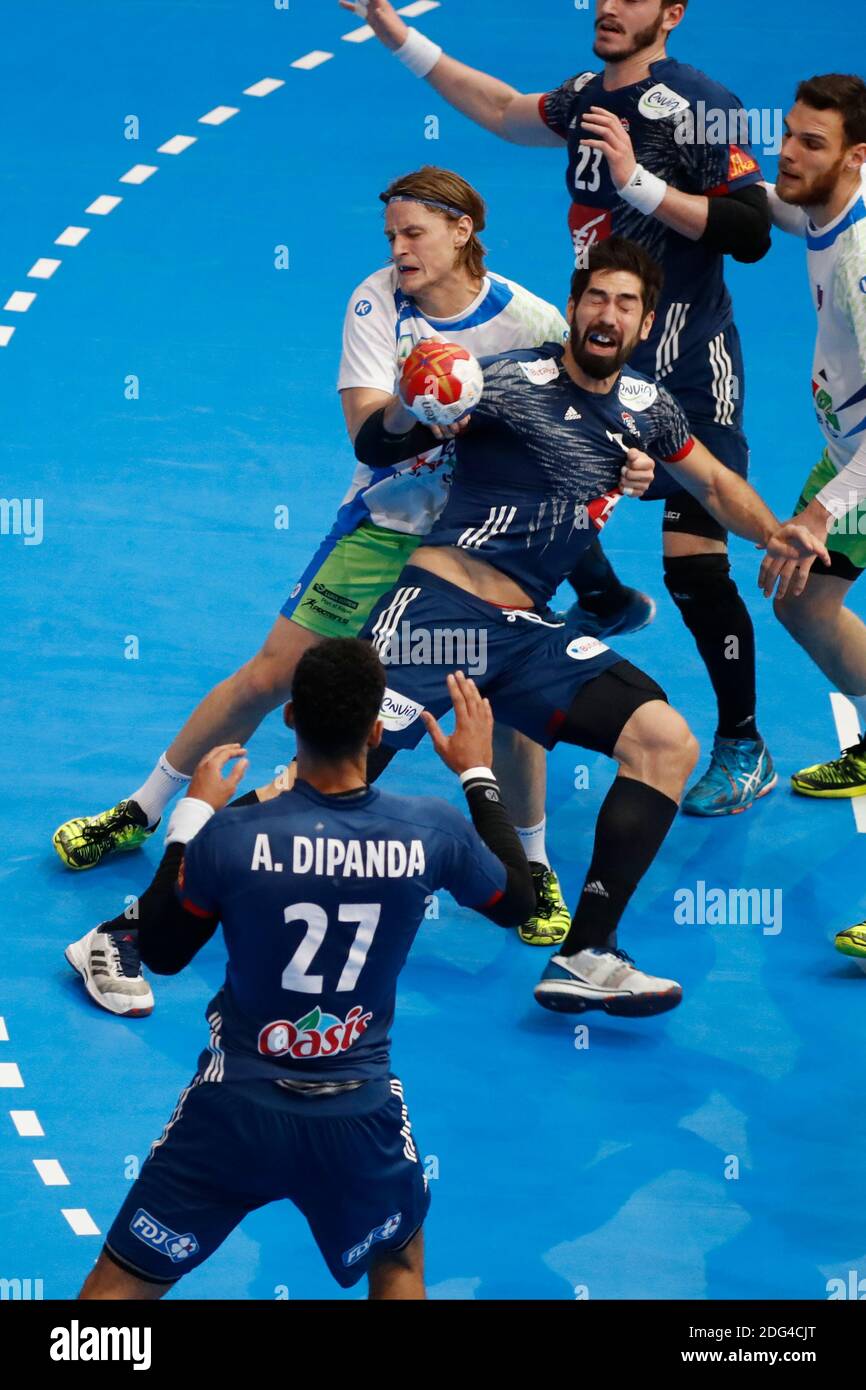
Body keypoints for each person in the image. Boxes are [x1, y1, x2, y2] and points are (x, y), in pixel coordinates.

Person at [53, 166, 600, 984]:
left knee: (508, 700)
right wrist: (423, 402)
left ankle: (533, 860)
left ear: (463, 230)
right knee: (273, 673)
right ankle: (142, 809)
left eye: (414, 233)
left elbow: (573, 428)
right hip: (390, 520)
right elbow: (368, 438)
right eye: (391, 236)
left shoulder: (532, 321)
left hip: (489, 543)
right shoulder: (377, 302)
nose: (399, 250)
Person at [357, 238, 826, 1014]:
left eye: (627, 304)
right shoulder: (507, 382)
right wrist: (411, 404)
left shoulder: (648, 410)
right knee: (341, 772)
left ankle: (587, 952)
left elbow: (712, 480)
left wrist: (775, 531)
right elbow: (381, 442)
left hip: (529, 631)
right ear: (574, 308)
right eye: (597, 299)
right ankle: (141, 922)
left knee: (665, 741)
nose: (609, 315)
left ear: (643, 326)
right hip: (438, 613)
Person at [343, 0, 776, 817]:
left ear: (672, 14)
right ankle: (602, 600)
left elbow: (750, 230)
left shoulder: (696, 103)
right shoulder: (585, 98)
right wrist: (397, 35)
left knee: (693, 567)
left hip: (685, 369)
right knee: (537, 475)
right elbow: (505, 111)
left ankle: (742, 743)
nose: (609, 6)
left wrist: (638, 184)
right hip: (601, 354)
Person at [75, 641, 534, 1299]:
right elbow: (519, 900)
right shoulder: (432, 831)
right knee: (400, 1268)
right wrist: (477, 775)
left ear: (290, 719)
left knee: (121, 1283)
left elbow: (163, 949)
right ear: (377, 731)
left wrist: (193, 816)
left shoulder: (232, 837)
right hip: (358, 1113)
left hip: (234, 1110)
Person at [755, 74, 866, 966]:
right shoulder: (830, 209)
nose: (788, 151)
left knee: (801, 573)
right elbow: (789, 212)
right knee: (800, 601)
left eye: (810, 143)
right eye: (788, 134)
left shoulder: (865, 263)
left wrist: (826, 511)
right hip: (849, 452)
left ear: (855, 158)